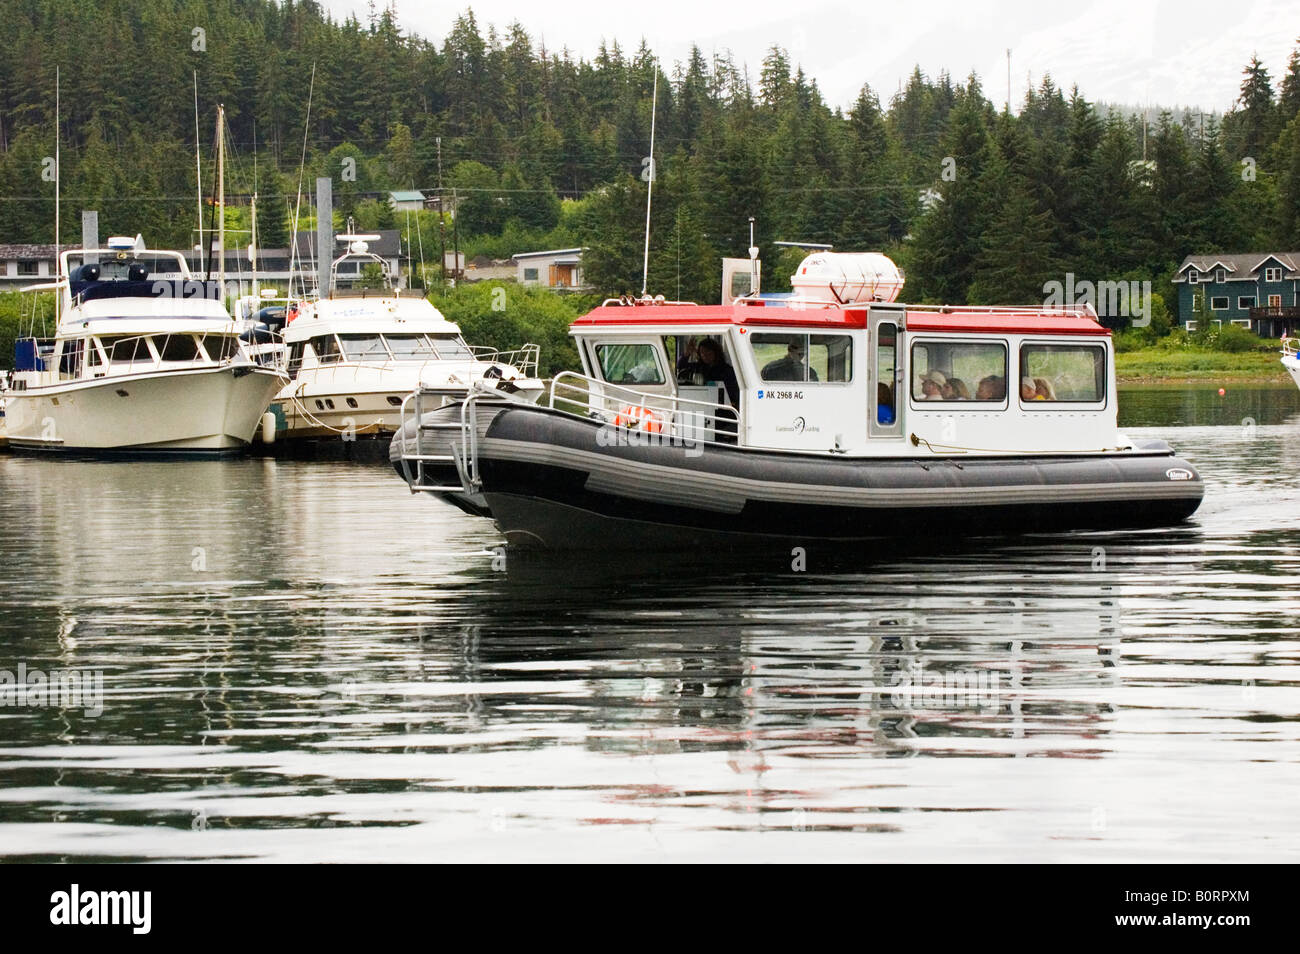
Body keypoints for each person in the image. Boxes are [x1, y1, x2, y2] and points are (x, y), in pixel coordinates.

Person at [679, 337, 739, 407]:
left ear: (716, 352)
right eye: (702, 352)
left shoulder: (727, 370)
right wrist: (687, 353)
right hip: (701, 404)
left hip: (721, 407)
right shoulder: (698, 367)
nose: (705, 355)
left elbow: (733, 393)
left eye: (708, 351)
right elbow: (681, 365)